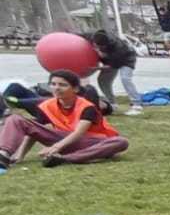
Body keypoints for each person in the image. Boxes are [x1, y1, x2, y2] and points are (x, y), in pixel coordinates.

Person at [0, 70, 129, 169]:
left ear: (75, 89)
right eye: (53, 84)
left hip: (91, 142)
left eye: (62, 85)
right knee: (15, 119)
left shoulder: (86, 106)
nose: (56, 88)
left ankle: (64, 159)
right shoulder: (47, 105)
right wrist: (21, 154)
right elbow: (33, 129)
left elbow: (79, 133)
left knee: (121, 142)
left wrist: (55, 148)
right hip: (63, 139)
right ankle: (4, 154)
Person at [89, 29, 141, 115]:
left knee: (125, 78)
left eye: (101, 47)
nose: (99, 48)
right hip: (110, 61)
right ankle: (112, 104)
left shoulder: (117, 47)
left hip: (127, 59)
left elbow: (113, 65)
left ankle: (136, 105)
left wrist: (95, 68)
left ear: (106, 44)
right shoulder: (93, 37)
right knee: (103, 80)